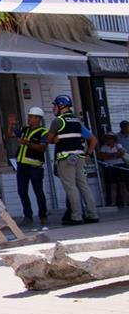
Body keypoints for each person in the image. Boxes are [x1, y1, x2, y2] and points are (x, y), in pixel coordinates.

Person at [47, 95, 99, 226]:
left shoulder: (57, 121)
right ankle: (93, 215)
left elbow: (48, 139)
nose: (54, 108)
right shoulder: (77, 121)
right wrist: (88, 153)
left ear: (61, 105)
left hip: (66, 158)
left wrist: (55, 139)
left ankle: (76, 217)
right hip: (80, 157)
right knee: (84, 186)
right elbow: (93, 139)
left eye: (55, 105)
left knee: (71, 187)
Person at [6, 107, 49, 226]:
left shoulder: (43, 132)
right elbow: (10, 135)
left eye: (31, 117)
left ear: (38, 118)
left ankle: (43, 215)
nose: (29, 118)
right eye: (29, 116)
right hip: (22, 166)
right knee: (22, 191)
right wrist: (10, 124)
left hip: (35, 167)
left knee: (38, 192)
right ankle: (27, 215)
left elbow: (42, 148)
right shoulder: (24, 129)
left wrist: (27, 143)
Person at [97, 132, 128, 207]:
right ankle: (113, 203)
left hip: (120, 166)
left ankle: (125, 203)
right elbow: (102, 156)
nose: (109, 140)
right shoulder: (104, 147)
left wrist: (109, 155)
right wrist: (115, 155)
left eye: (111, 138)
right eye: (108, 138)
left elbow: (121, 153)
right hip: (110, 167)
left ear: (114, 139)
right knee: (113, 186)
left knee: (122, 185)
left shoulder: (118, 145)